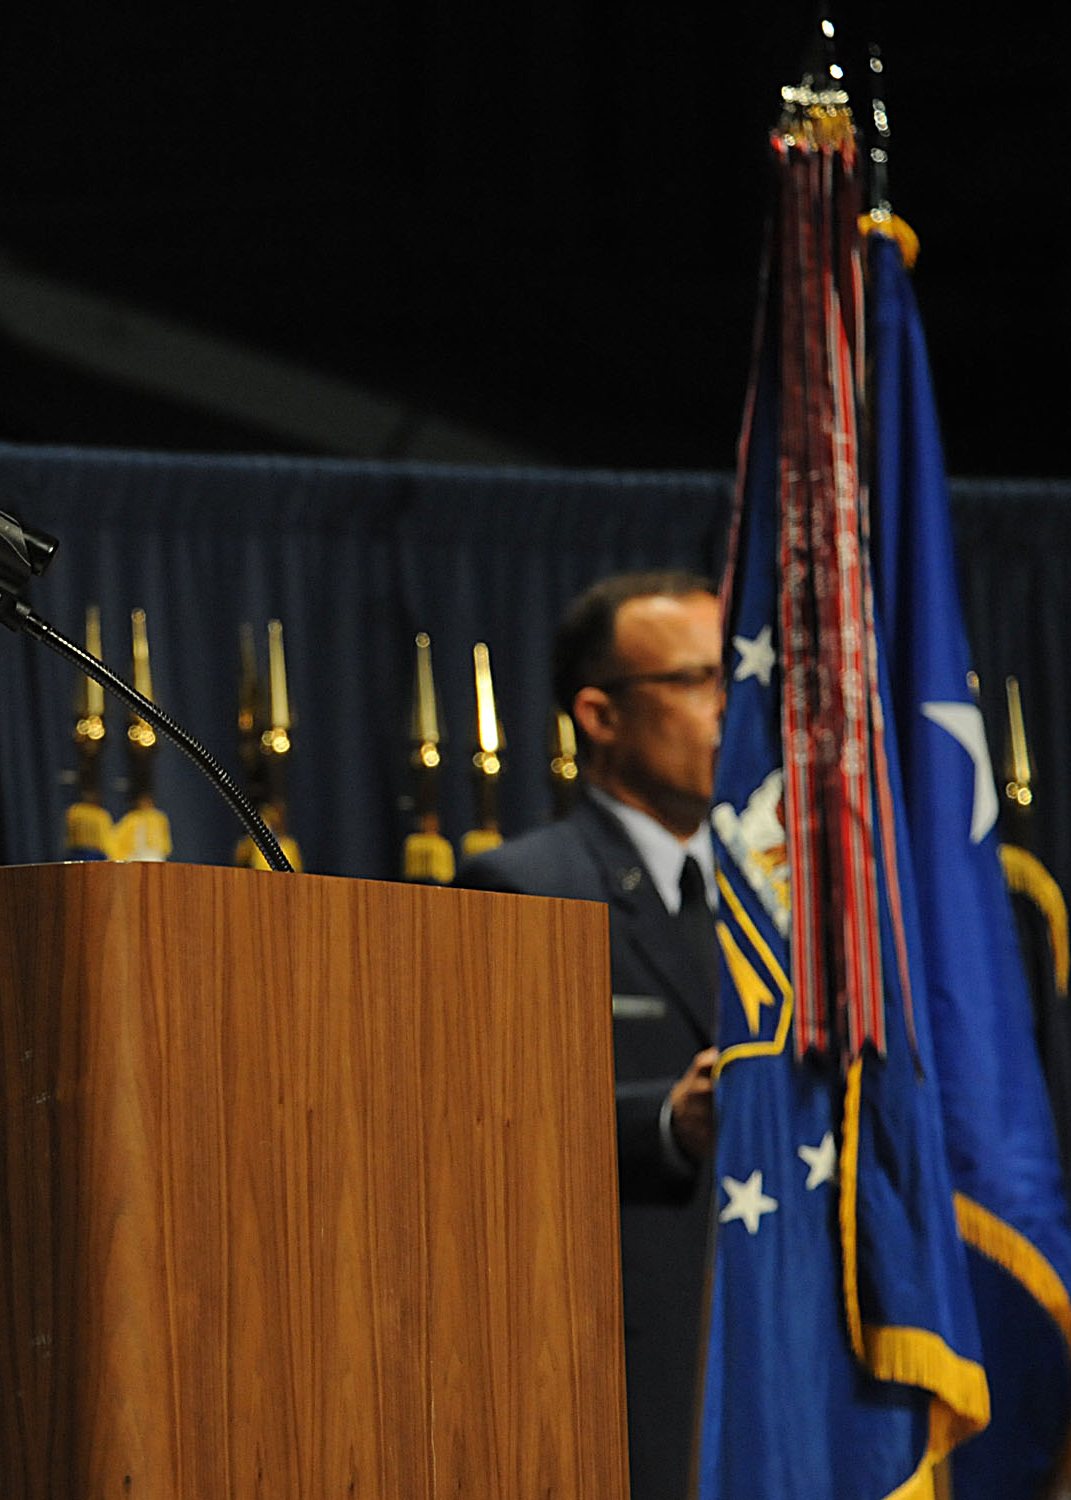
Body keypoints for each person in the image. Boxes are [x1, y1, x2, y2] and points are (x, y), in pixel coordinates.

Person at [457, 570, 723, 1500]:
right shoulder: (525, 888)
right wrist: (666, 1125)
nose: (724, 708)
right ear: (600, 716)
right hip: (626, 1359)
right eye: (692, 682)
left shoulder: (778, 900)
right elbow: (481, 1127)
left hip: (778, 1353)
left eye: (732, 678)